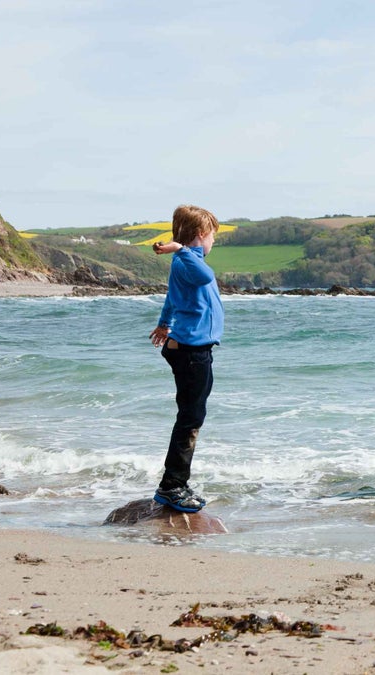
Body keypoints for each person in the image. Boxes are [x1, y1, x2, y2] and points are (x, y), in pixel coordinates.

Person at [147, 205, 224, 513]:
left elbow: (172, 296)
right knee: (190, 419)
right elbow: (207, 276)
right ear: (200, 235)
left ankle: (178, 481)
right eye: (212, 237)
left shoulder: (185, 263)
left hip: (194, 348)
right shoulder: (189, 262)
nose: (213, 243)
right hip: (192, 351)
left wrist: (164, 322)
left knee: (192, 416)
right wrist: (181, 249)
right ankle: (171, 486)